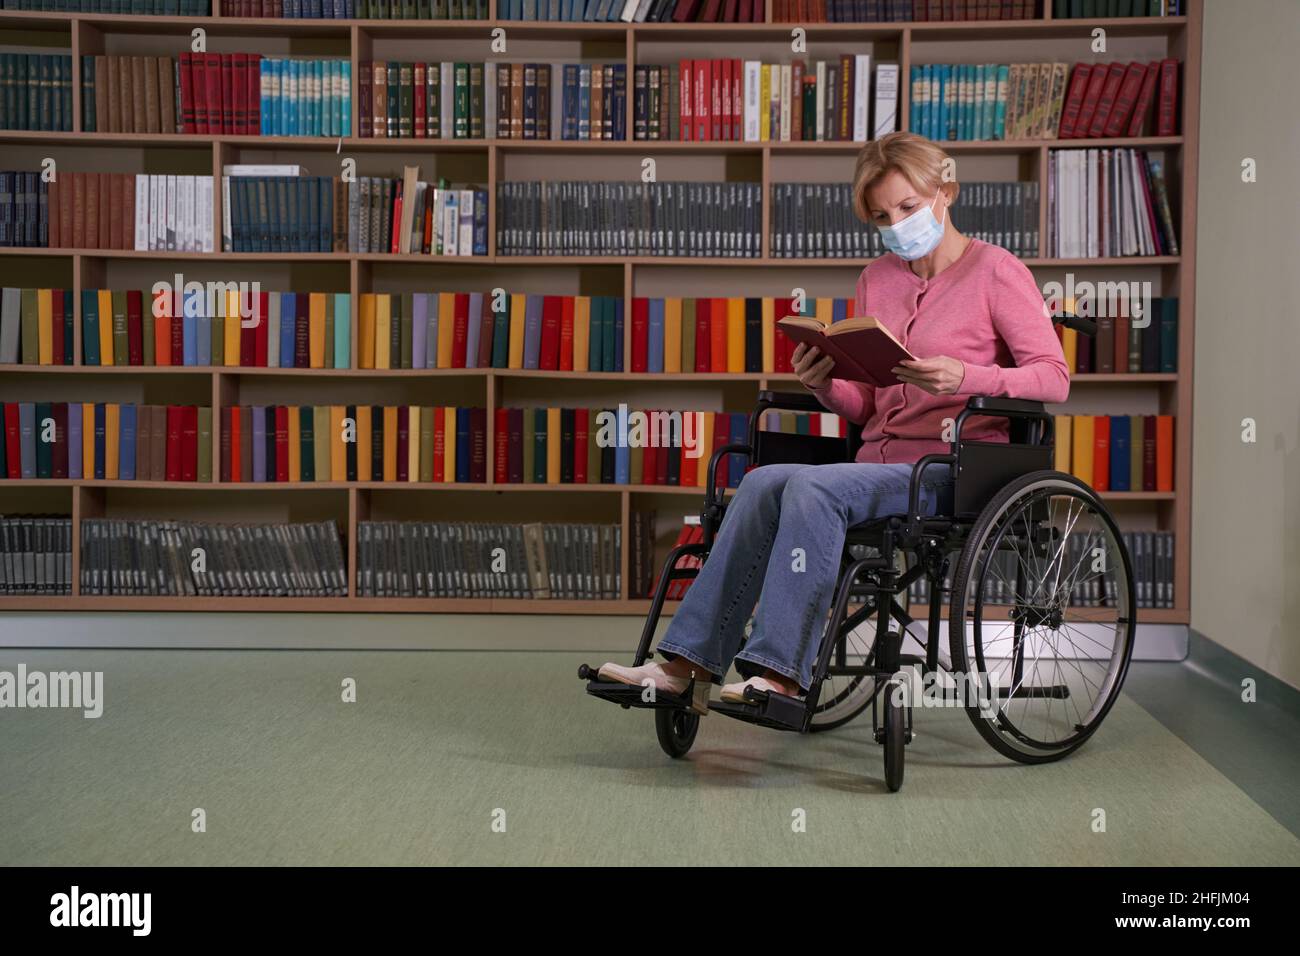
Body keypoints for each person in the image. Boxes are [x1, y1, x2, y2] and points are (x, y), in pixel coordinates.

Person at [599, 131, 1070, 716]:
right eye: (881, 216)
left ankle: (781, 676)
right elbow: (867, 405)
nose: (896, 224)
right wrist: (824, 382)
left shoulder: (996, 271)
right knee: (761, 479)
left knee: (814, 486)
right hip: (873, 463)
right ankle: (686, 663)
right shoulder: (878, 277)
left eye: (907, 207)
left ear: (944, 192)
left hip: (952, 470)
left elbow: (1053, 378)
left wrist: (967, 376)